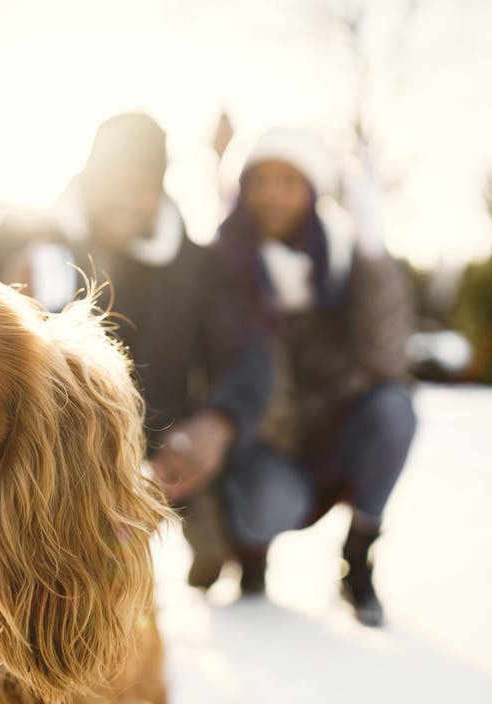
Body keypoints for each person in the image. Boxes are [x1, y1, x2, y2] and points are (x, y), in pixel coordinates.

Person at [0, 112, 271, 541]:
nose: (125, 199)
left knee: (265, 495)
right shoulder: (21, 236)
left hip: (155, 440)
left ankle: (199, 516)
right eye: (112, 179)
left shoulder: (197, 266)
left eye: (140, 185)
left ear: (159, 192)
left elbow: (248, 351)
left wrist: (219, 422)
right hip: (39, 438)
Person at [164, 128, 416, 627]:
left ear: (312, 191)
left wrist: (370, 247)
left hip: (329, 434)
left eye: (288, 180)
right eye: (259, 181)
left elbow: (387, 356)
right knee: (267, 504)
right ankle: (249, 551)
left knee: (395, 409)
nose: (272, 194)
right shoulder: (222, 266)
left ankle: (358, 556)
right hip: (261, 442)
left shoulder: (342, 262)